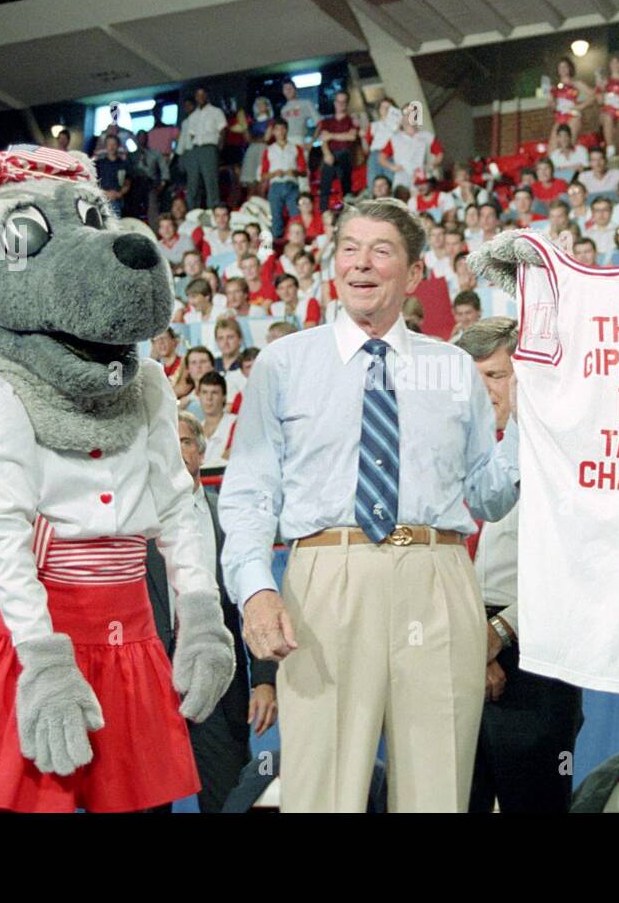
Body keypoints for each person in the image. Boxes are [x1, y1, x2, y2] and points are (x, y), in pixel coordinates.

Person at [220, 197, 519, 812]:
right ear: (334, 265)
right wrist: (255, 588)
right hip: (326, 580)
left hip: (439, 578)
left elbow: (487, 492)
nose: (362, 263)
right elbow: (250, 490)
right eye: (350, 249)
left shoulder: (455, 369)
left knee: (437, 789)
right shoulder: (283, 363)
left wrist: (530, 424)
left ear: (412, 276)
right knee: (322, 791)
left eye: (381, 251)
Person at [453, 317, 583, 813]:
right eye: (471, 378)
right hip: (451, 645)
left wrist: (500, 633)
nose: (481, 390)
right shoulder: (442, 456)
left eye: (494, 375)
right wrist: (472, 642)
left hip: (535, 654)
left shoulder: (561, 454)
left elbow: (577, 562)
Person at [141, 411, 276, 812]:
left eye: (183, 441)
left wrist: (265, 679)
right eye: (167, 444)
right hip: (151, 689)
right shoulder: (135, 522)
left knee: (229, 802)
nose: (177, 452)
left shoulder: (230, 521)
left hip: (219, 689)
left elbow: (251, 602)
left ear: (201, 452)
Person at [178, 86, 228, 210]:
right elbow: (191, 134)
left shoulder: (216, 111)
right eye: (198, 95)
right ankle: (193, 211)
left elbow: (222, 130)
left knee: (210, 181)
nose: (200, 98)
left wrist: (218, 148)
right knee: (193, 183)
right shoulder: (193, 116)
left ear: (207, 96)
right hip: (195, 149)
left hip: (209, 148)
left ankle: (213, 210)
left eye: (202, 95)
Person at [261, 118, 306, 240]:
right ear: (273, 132)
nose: (280, 132)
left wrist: (295, 172)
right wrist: (274, 174)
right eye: (277, 129)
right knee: (276, 217)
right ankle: (278, 245)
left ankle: (299, 239)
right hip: (275, 185)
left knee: (295, 215)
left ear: (287, 130)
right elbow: (263, 175)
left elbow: (304, 171)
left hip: (292, 185)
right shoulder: (269, 150)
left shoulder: (296, 148)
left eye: (283, 129)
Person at [315, 90, 359, 212]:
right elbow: (324, 140)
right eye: (339, 101)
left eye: (344, 102)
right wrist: (327, 154)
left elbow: (352, 136)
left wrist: (331, 135)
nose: (341, 104)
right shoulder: (327, 121)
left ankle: (347, 206)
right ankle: (323, 211)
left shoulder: (351, 120)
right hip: (331, 155)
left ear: (347, 103)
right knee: (327, 170)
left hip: (346, 155)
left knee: (343, 156)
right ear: (334, 103)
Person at [93, 132, 131, 216]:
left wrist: (118, 194)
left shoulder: (124, 164)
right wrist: (104, 193)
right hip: (101, 198)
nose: (111, 147)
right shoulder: (98, 164)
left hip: (117, 200)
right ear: (105, 146)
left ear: (118, 146)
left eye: (114, 144)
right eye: (109, 144)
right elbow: (93, 181)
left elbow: (127, 183)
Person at [278, 79, 317, 150]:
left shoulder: (306, 103)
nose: (288, 90)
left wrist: (312, 142)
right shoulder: (283, 109)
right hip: (285, 142)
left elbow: (320, 123)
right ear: (283, 91)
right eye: (286, 89)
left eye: (290, 88)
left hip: (299, 140)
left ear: (295, 89)